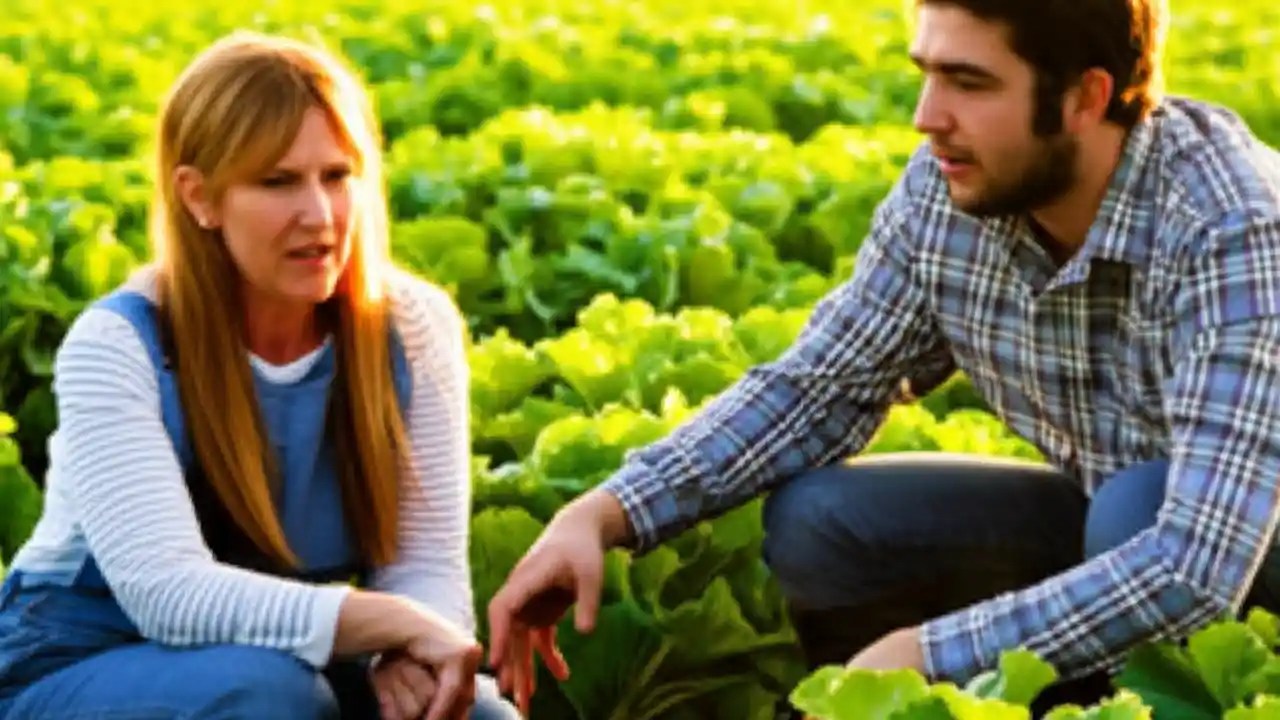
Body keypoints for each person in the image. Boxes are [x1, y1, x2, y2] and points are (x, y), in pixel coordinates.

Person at [486, 0, 1280, 713]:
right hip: (1113, 520)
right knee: (824, 522)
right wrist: (604, 513)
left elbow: (1193, 567)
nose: (927, 116)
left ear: (1085, 97)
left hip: (1233, 550)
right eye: (927, 73)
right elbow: (814, 391)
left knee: (1135, 510)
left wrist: (930, 654)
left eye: (968, 82)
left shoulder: (1233, 226)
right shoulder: (954, 189)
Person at [0, 32, 520, 720]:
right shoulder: (119, 344)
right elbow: (169, 593)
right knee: (268, 697)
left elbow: (424, 563)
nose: (321, 214)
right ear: (199, 198)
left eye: (337, 175)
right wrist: (384, 624)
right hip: (78, 659)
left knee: (474, 714)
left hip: (287, 655)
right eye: (278, 182)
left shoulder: (412, 327)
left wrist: (408, 655)